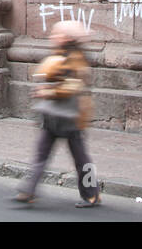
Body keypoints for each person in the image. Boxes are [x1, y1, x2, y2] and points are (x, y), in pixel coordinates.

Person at [13, 20, 101, 207]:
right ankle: (29, 190)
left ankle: (92, 194)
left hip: (70, 119)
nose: (52, 36)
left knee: (81, 160)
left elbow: (71, 87)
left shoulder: (75, 59)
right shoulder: (60, 55)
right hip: (53, 117)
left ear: (68, 38)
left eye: (57, 33)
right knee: (40, 154)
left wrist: (46, 91)